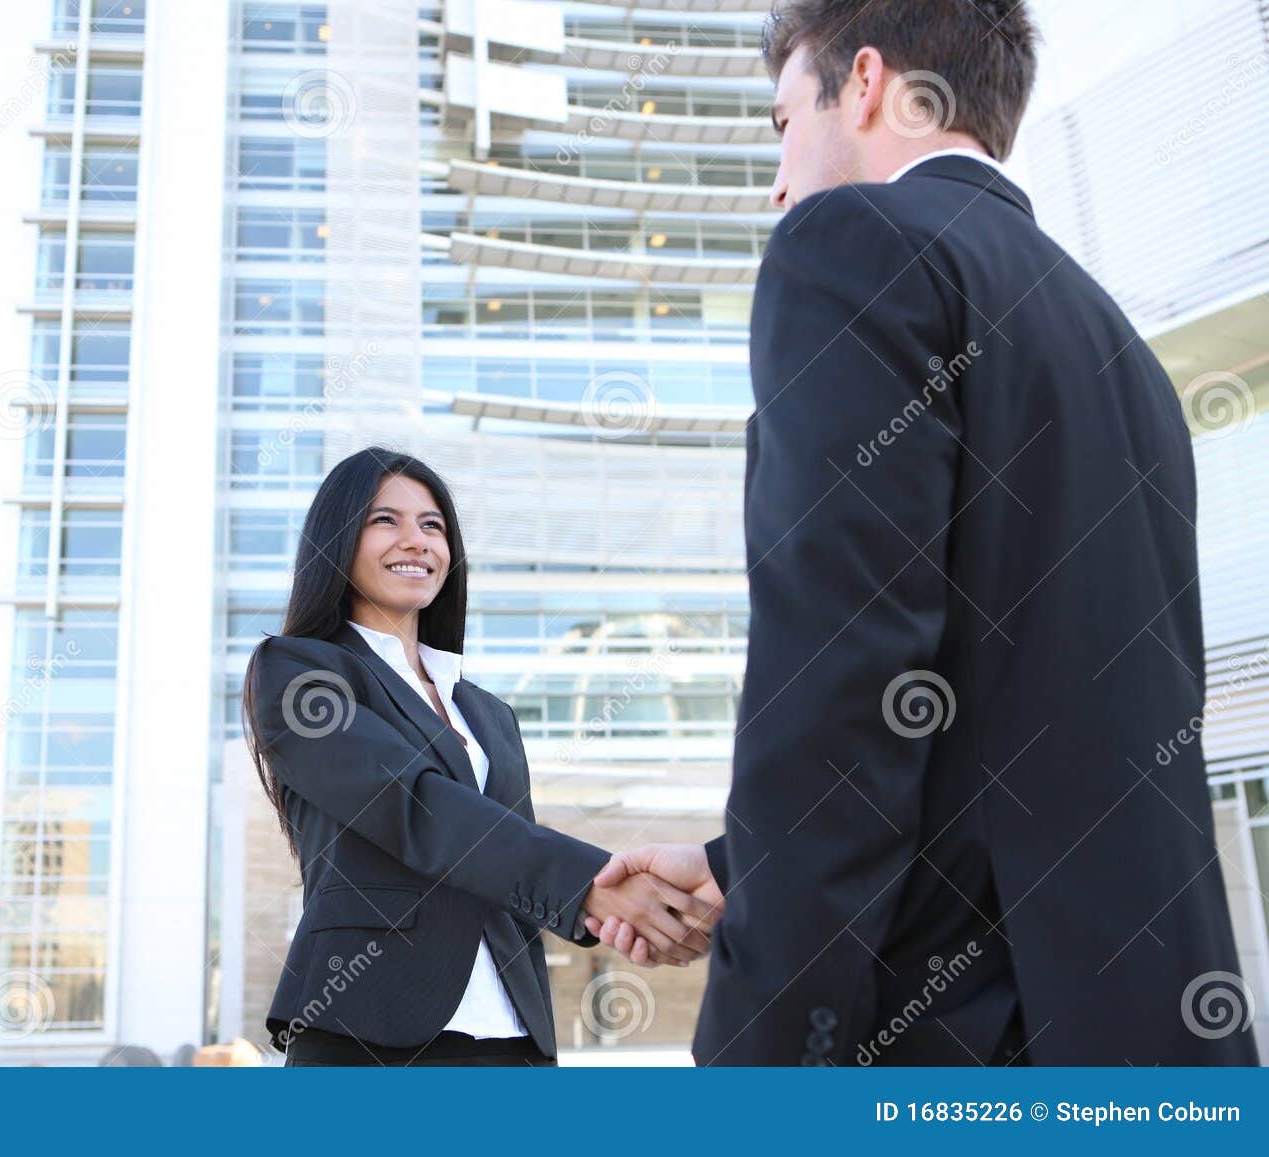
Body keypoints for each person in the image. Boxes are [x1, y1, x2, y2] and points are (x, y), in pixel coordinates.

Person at [587, 0, 1260, 1067]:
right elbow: (1011, 716)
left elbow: (842, 682)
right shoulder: (1114, 343)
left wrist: (755, 1051)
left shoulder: (854, 243)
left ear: (861, 82)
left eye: (778, 124)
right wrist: (738, 864)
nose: (776, 180)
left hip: (959, 1044)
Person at [245, 448, 720, 1066]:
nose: (415, 540)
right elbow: (411, 804)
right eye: (384, 520)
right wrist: (595, 889)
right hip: (367, 1029)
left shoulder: (487, 712)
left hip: (511, 1035)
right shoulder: (299, 671)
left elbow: (507, 853)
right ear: (336, 539)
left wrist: (621, 910)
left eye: (433, 525)